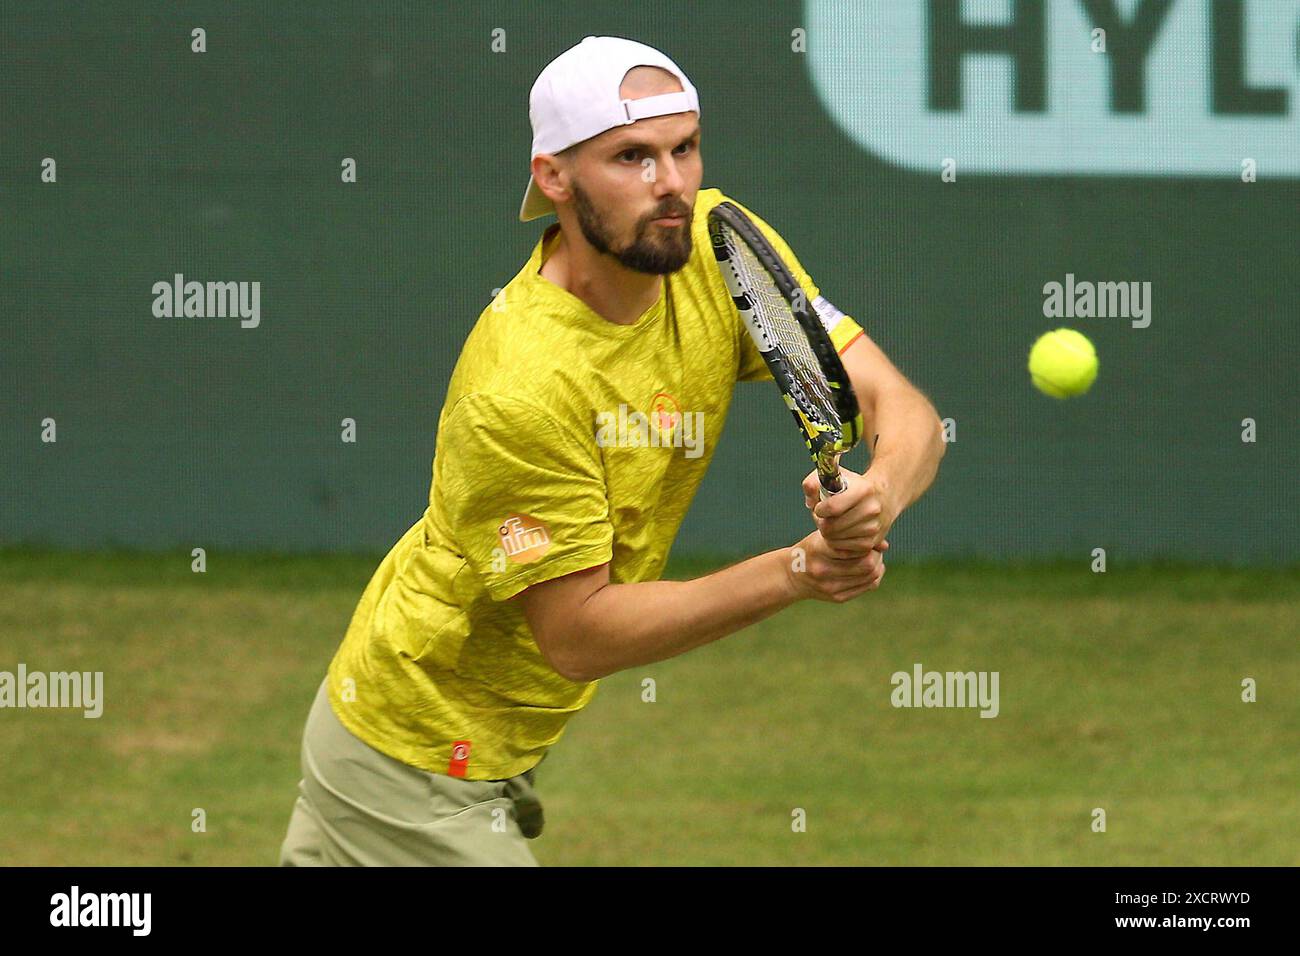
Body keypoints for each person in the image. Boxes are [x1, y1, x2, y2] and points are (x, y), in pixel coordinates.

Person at [279, 35, 945, 867]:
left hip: (489, 739)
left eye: (684, 149)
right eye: (632, 157)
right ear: (554, 175)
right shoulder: (520, 388)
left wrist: (882, 488)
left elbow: (896, 404)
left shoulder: (715, 241)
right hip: (410, 757)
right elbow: (579, 634)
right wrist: (799, 570)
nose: (670, 184)